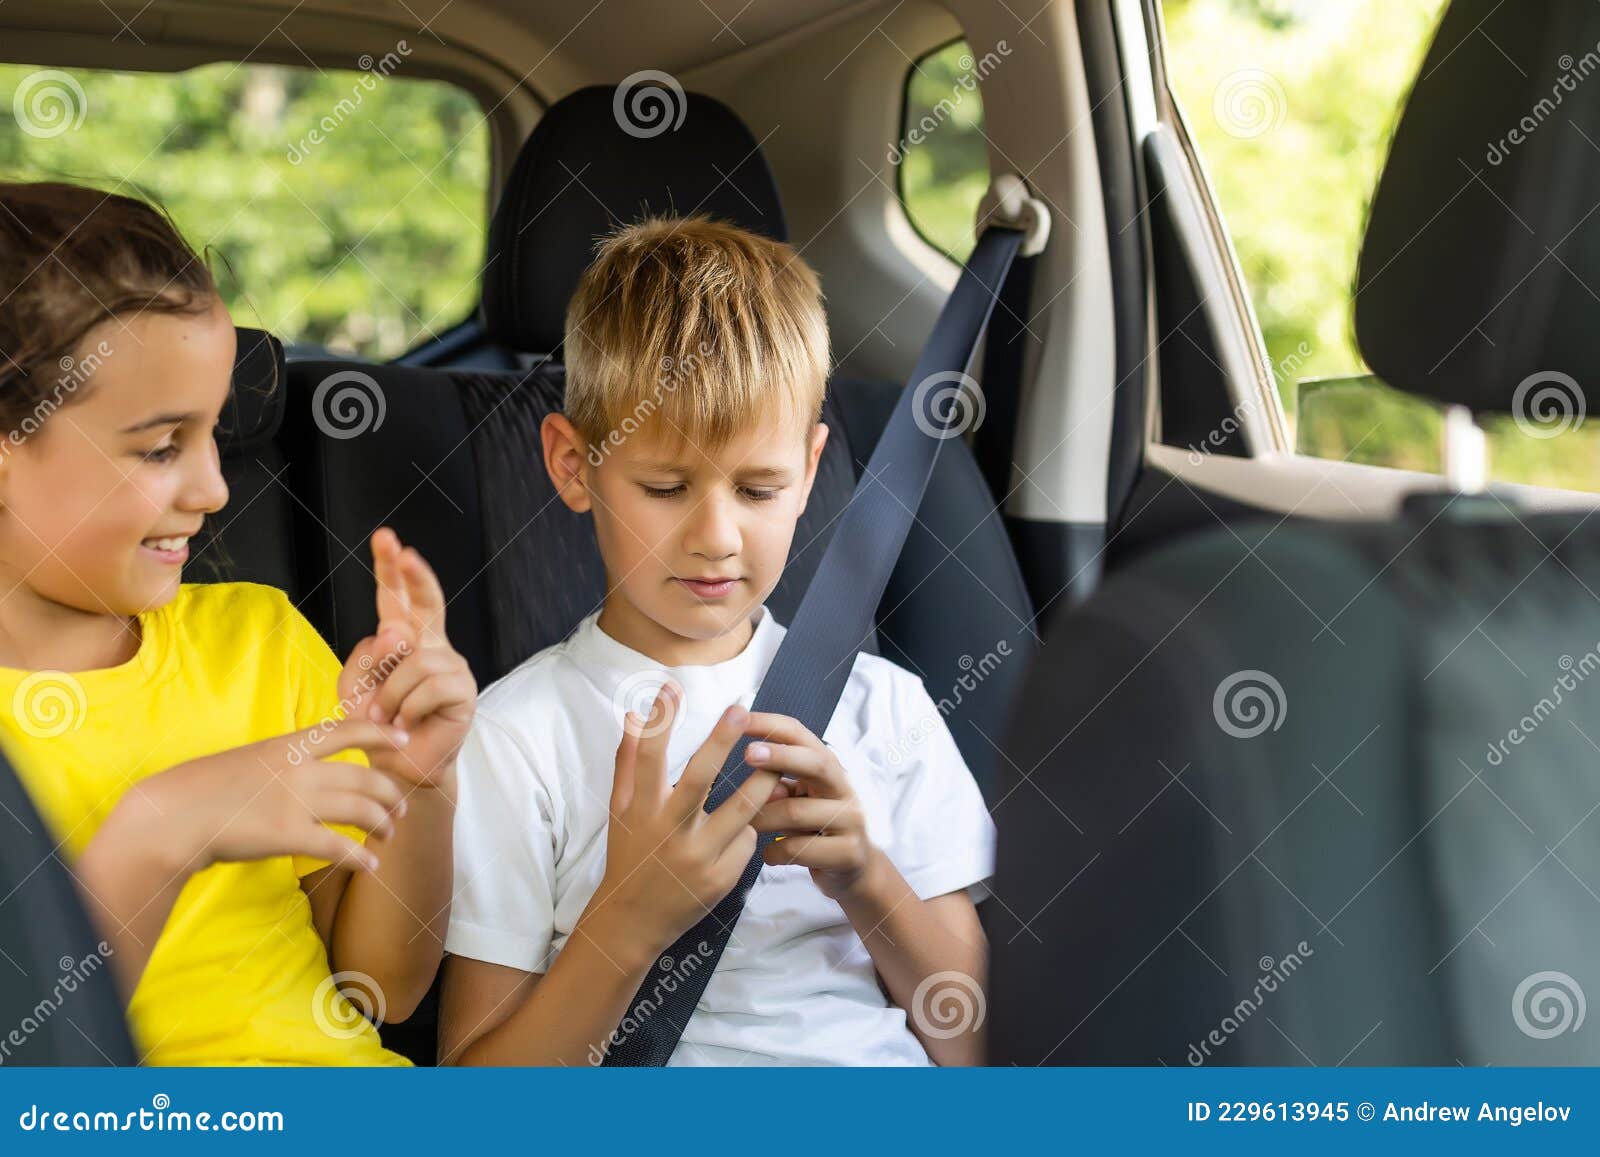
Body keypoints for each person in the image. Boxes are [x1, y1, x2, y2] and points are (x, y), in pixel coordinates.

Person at [440, 215, 994, 1066]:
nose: (717, 535)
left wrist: (864, 878)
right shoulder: (516, 736)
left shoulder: (885, 707)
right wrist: (627, 918)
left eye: (759, 488)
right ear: (571, 464)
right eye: (665, 486)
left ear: (811, 470)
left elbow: (974, 1044)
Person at [0, 181, 475, 1065]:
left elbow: (382, 988)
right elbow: (28, 1064)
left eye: (215, 433)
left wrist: (414, 782)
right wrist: (162, 829)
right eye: (159, 446)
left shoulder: (258, 638)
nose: (216, 489)